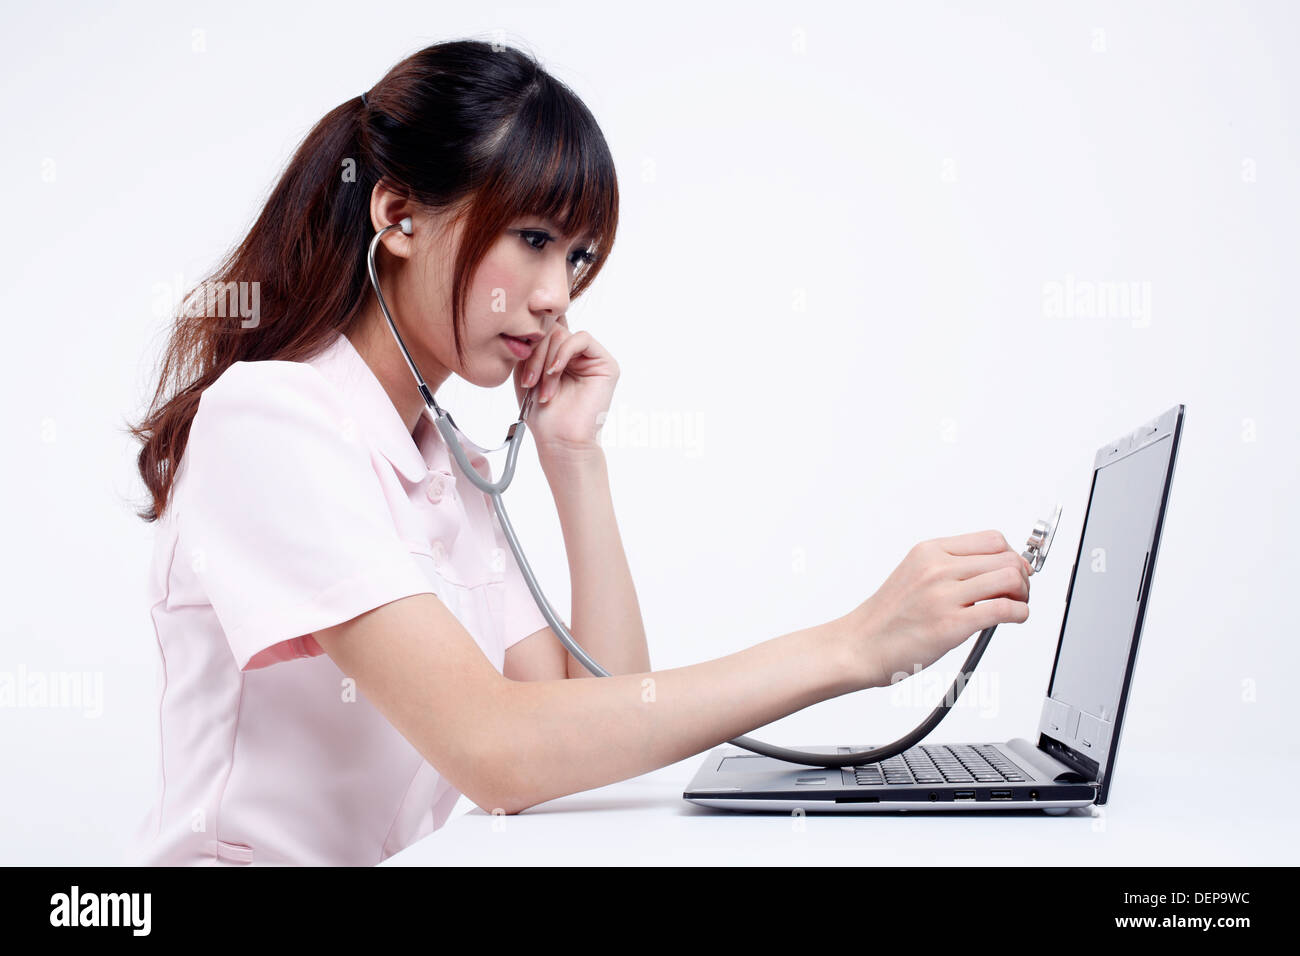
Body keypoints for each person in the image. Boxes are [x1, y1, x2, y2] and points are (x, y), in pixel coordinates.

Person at [125, 38, 1032, 866]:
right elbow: (496, 750)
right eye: (533, 240)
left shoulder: (444, 463)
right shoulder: (270, 423)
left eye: (579, 255)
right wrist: (852, 647)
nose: (560, 294)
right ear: (398, 216)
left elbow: (606, 738)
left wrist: (574, 459)